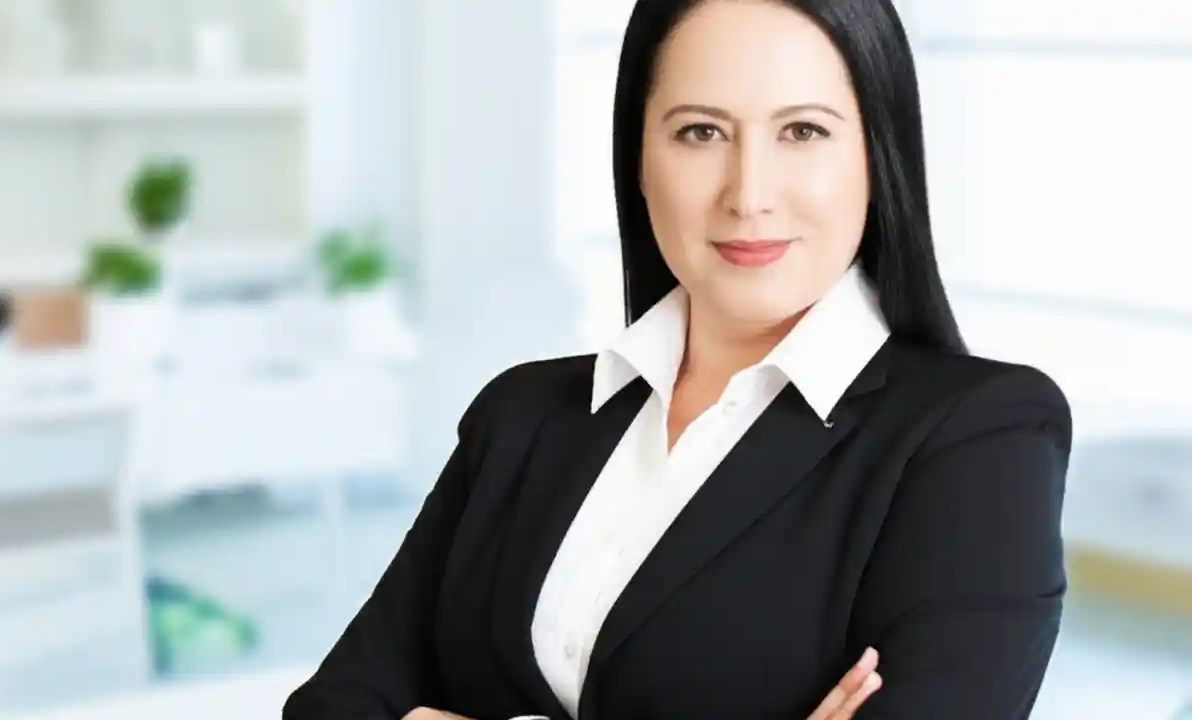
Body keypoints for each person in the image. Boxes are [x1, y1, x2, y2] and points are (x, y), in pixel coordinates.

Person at [283, 0, 1072, 718]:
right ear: (639, 156)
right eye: (701, 131)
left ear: (879, 151)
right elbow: (332, 705)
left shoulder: (978, 438)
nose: (748, 192)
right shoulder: (519, 416)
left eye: (803, 131)